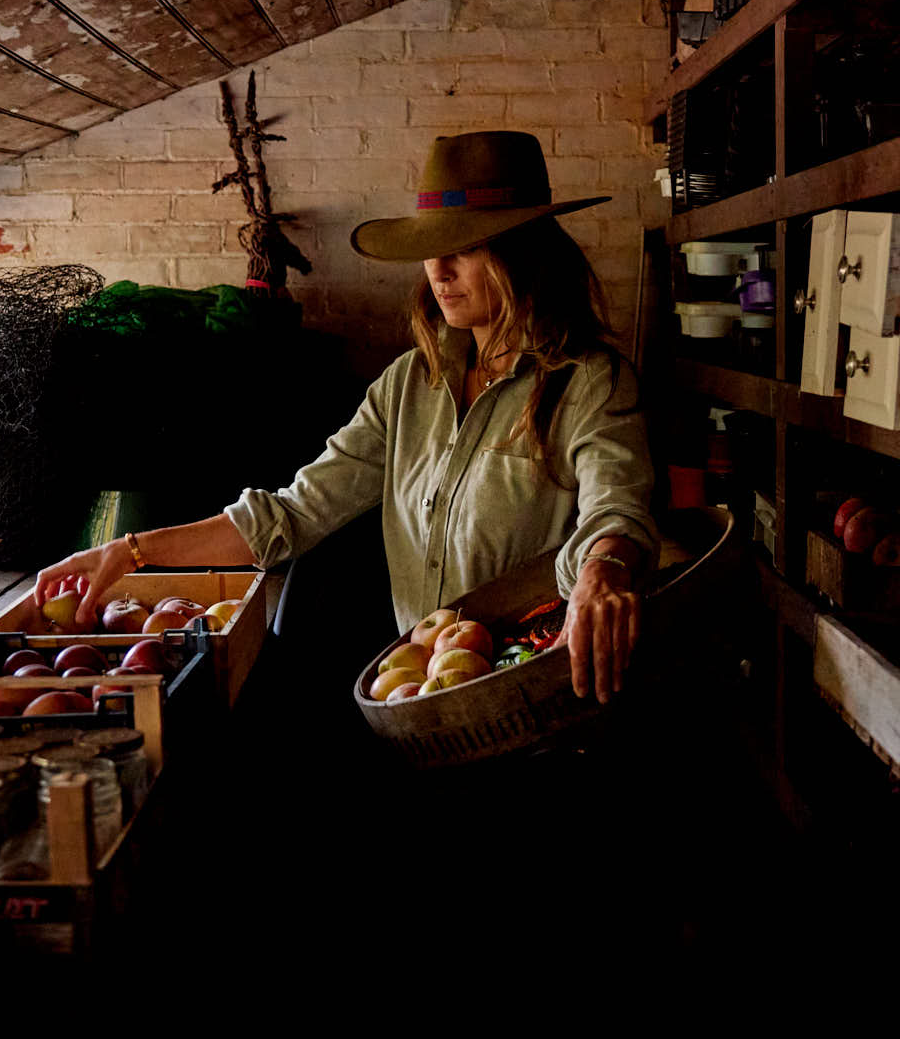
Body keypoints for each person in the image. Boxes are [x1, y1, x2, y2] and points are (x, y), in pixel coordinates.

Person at [34, 130, 657, 702]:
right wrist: (129, 552)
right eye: (431, 250)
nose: (438, 271)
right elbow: (293, 515)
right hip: (420, 686)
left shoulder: (589, 383)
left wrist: (604, 567)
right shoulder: (409, 385)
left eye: (464, 249)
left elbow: (616, 505)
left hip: (539, 677)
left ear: (524, 254)